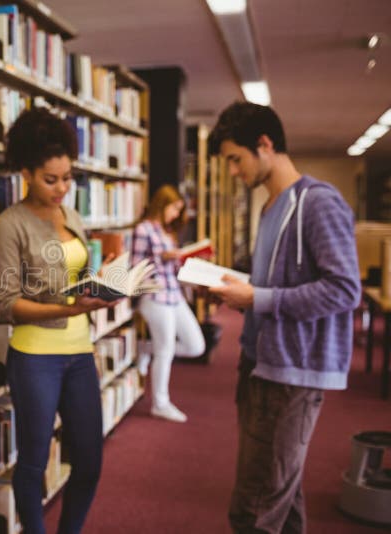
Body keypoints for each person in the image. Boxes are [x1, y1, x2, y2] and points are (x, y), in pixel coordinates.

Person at [208, 101, 361, 533]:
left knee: (254, 509)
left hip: (292, 373)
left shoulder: (318, 203)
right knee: (281, 498)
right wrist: (241, 292)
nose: (234, 171)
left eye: (236, 159)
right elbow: (274, 285)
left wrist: (258, 297)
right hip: (258, 363)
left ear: (265, 144)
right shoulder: (269, 207)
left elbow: (344, 289)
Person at [0, 107, 114, 534]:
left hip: (80, 352)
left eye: (68, 177)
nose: (63, 188)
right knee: (34, 461)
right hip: (35, 356)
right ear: (25, 172)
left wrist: (104, 281)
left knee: (90, 462)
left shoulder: (72, 217)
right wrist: (71, 308)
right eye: (51, 179)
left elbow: (73, 280)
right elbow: (7, 303)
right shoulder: (10, 225)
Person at [131, 184, 205, 423]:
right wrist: (160, 257)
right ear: (162, 205)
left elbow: (173, 268)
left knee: (196, 345)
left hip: (174, 295)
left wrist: (184, 261)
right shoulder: (144, 230)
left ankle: (144, 349)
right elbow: (135, 268)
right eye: (174, 208)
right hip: (155, 296)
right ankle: (160, 403)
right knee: (166, 350)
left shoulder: (167, 233)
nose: (175, 215)